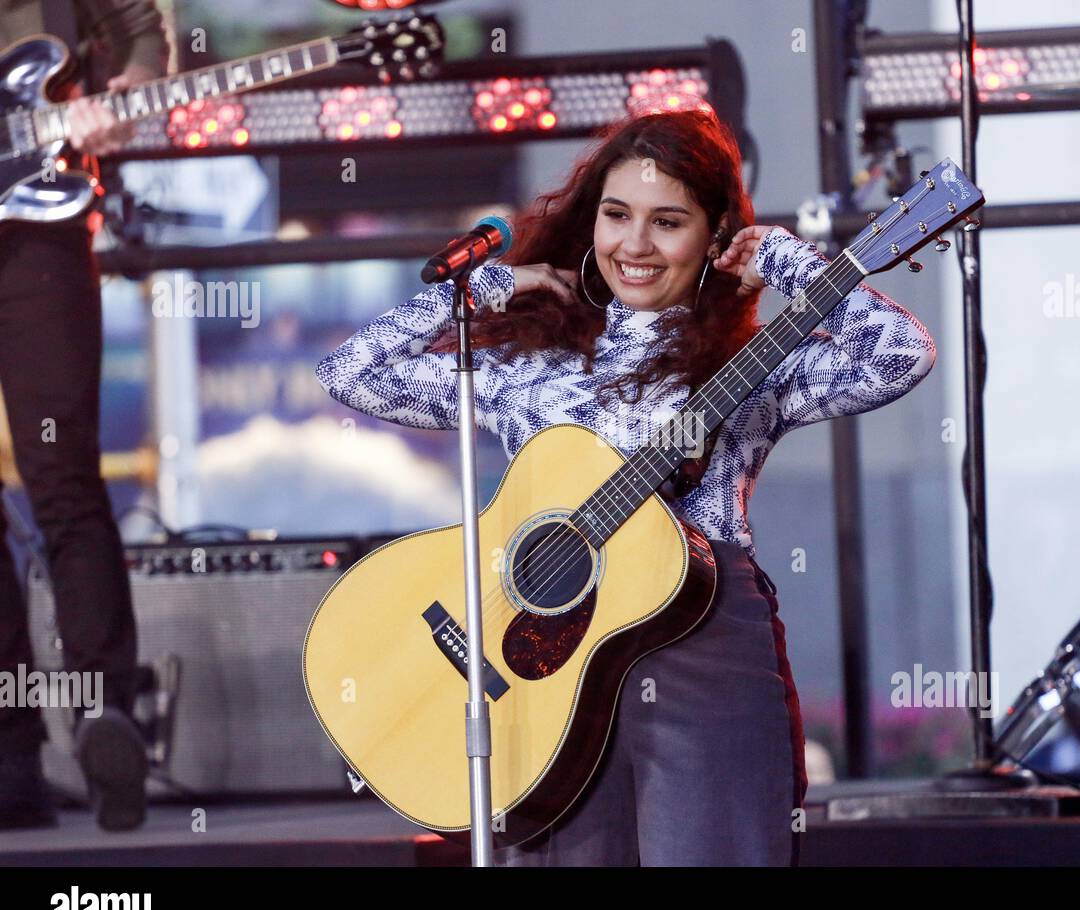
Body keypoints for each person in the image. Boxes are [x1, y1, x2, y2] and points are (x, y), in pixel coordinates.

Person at [315, 108, 936, 865]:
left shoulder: (757, 363)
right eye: (617, 215)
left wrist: (789, 262)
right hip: (541, 664)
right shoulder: (530, 360)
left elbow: (898, 354)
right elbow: (350, 372)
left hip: (700, 645)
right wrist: (490, 287)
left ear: (714, 238)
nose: (634, 245)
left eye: (667, 222)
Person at [0, 0, 169, 831]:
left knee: (62, 479)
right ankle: (9, 755)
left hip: (38, 228)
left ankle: (112, 725)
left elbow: (139, 24)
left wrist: (132, 88)